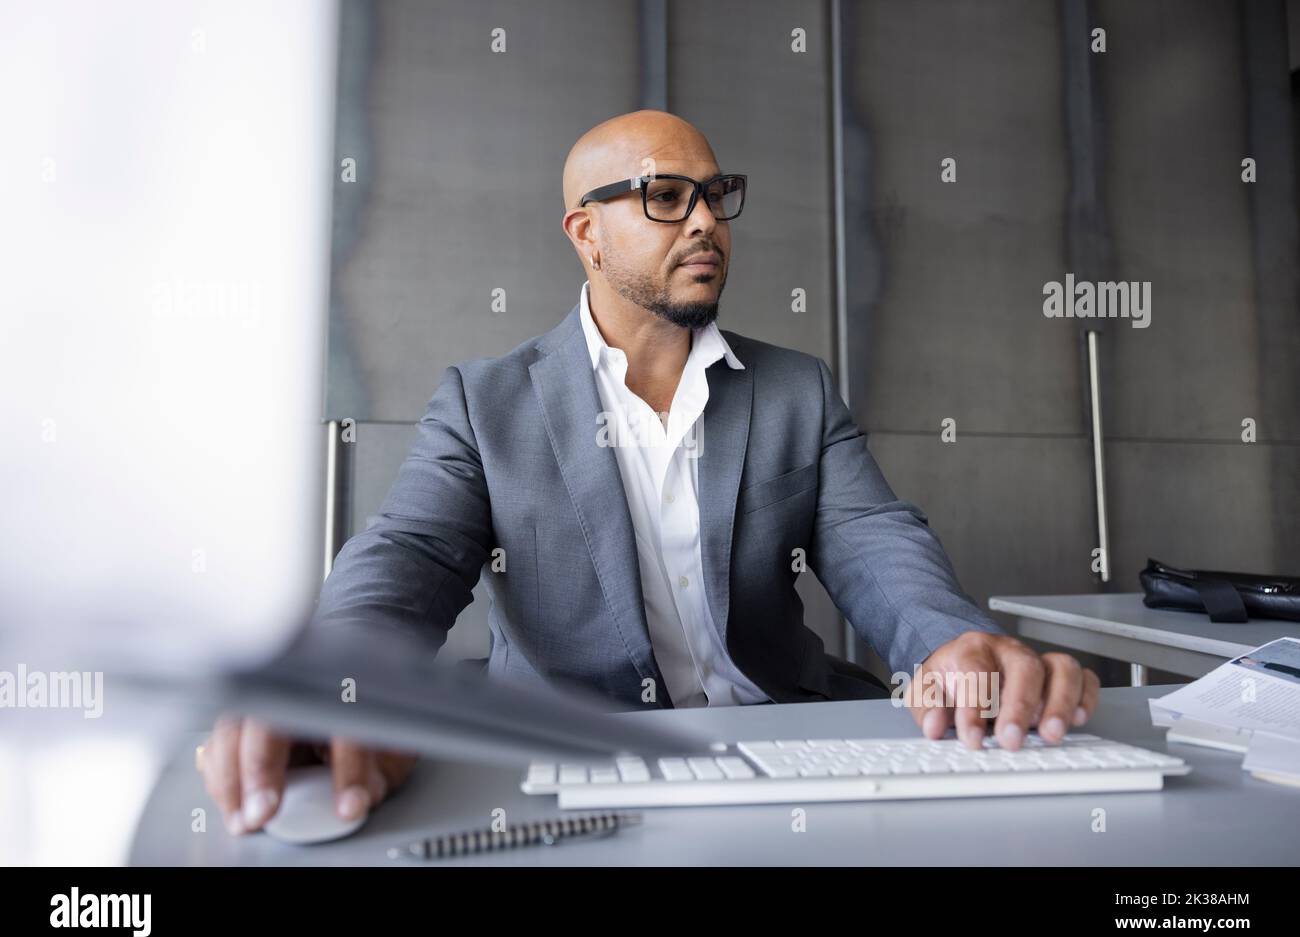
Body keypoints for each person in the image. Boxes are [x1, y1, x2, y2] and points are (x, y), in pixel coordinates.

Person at [201, 110, 1099, 836]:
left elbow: (874, 538)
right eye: (665, 196)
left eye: (714, 195)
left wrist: (946, 640)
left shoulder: (794, 388)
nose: (706, 220)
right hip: (574, 769)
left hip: (785, 743)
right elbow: (407, 556)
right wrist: (340, 674)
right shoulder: (486, 402)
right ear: (587, 234)